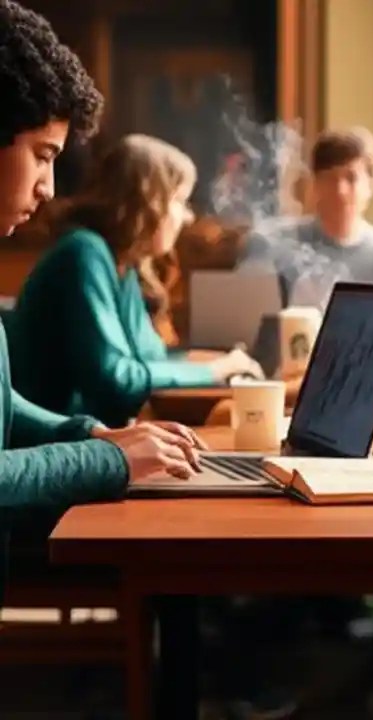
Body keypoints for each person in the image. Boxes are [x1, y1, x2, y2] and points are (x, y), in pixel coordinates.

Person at [0, 0, 203, 600]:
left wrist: (93, 436)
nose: (49, 185)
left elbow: (3, 407)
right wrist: (110, 461)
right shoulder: (83, 253)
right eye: (42, 154)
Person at [6, 134, 263, 428]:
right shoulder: (83, 252)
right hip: (52, 448)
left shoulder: (122, 266)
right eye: (179, 201)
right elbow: (116, 381)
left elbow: (147, 359)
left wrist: (209, 361)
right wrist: (216, 370)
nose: (188, 218)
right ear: (148, 203)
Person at [238, 126, 373, 356]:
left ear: (371, 185)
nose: (340, 190)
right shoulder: (275, 245)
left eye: (351, 178)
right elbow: (241, 328)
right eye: (329, 178)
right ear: (314, 185)